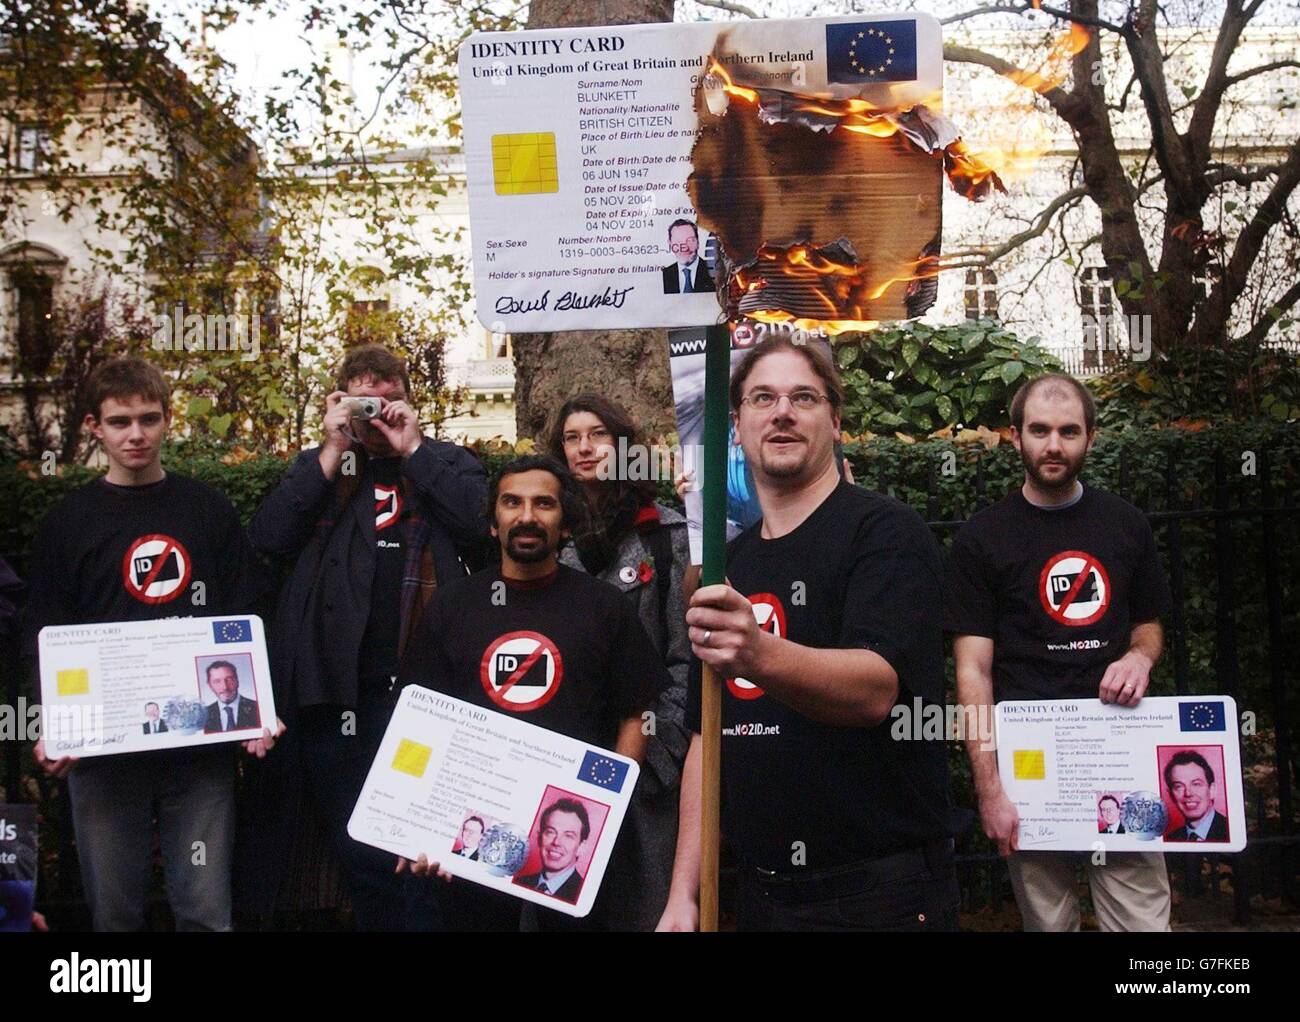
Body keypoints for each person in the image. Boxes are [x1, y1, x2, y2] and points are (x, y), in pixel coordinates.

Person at [656, 337, 957, 932]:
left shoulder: (886, 534)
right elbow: (702, 739)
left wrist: (759, 652)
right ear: (736, 426)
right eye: (762, 397)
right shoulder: (726, 566)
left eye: (804, 397)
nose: (782, 411)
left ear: (836, 421)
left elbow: (873, 692)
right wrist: (683, 894)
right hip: (762, 897)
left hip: (879, 896)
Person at [23, 357, 272, 932]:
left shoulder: (206, 509)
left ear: (167, 421)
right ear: (94, 428)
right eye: (119, 422)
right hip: (103, 750)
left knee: (206, 907)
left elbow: (247, 610)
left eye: (148, 418)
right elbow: (44, 633)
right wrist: (51, 724)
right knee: (113, 912)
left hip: (200, 746)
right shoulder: (69, 521)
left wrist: (261, 708)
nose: (135, 434)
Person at [245, 343, 488, 931]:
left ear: (408, 401)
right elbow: (267, 541)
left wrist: (412, 450)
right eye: (362, 404)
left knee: (429, 856)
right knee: (363, 856)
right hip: (337, 700)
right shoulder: (325, 469)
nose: (376, 417)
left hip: (427, 697)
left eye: (388, 402)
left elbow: (478, 526)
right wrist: (331, 448)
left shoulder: (448, 462)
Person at [399, 455, 670, 931]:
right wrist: (417, 821)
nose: (527, 516)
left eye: (543, 504)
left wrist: (604, 809)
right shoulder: (451, 607)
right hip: (473, 836)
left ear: (564, 525)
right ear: (492, 523)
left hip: (570, 839)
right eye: (512, 503)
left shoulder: (603, 607)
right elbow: (418, 724)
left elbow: (637, 715)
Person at [946, 372, 1174, 932]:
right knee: (1049, 925)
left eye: (1068, 431)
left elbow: (1149, 628)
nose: (1054, 445)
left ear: (1090, 438)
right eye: (1040, 430)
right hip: (1031, 761)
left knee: (1144, 925)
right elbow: (972, 670)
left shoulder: (1125, 525)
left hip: (1119, 748)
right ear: (1015, 436)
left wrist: (1139, 658)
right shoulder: (981, 538)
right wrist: (990, 787)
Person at [547, 394, 690, 931]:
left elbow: (683, 651)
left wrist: (664, 744)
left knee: (645, 909)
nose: (584, 448)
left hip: (645, 759)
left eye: (598, 434)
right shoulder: (545, 534)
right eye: (571, 437)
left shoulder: (663, 533)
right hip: (560, 755)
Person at [512, 799, 590, 904]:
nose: (556, 842)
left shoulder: (584, 896)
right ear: (539, 838)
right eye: (551, 832)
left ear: (581, 847)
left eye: (568, 836)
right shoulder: (519, 882)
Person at [1163, 751, 1229, 842]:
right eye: (1179, 786)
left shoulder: (1231, 830)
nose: (1188, 793)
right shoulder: (1170, 840)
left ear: (1212, 790)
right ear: (1171, 795)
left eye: (1196, 784)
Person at [202, 660, 260, 734]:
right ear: (210, 686)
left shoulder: (258, 708)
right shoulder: (203, 715)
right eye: (217, 681)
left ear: (237, 681)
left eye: (229, 680)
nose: (225, 687)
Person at [661, 219, 715, 295]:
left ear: (698, 242)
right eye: (678, 241)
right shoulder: (665, 275)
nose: (685, 248)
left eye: (690, 240)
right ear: (670, 244)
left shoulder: (713, 273)